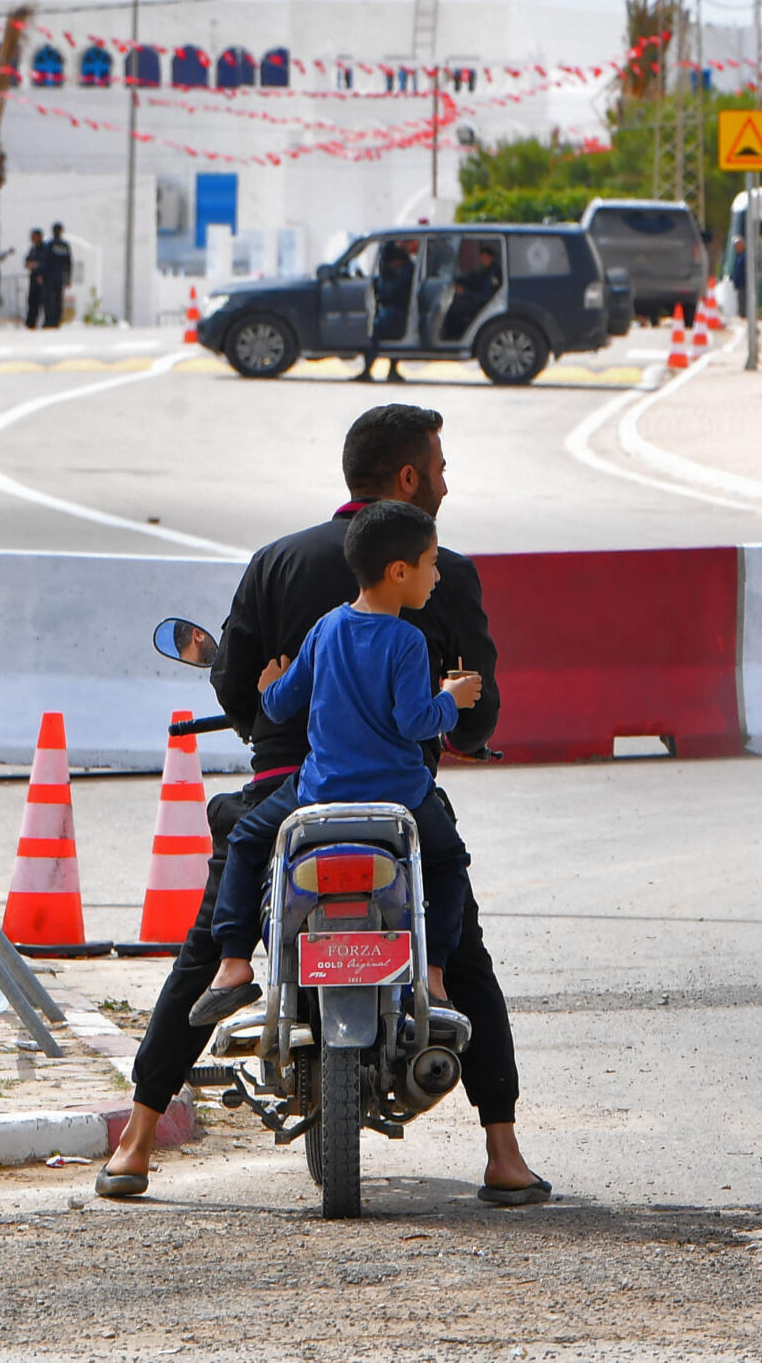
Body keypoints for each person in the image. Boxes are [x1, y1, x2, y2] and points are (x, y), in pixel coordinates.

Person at [100, 405, 544, 1207]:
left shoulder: (275, 563)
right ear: (408, 479)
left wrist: (276, 715)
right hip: (397, 806)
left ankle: (134, 1143)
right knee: (461, 944)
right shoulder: (439, 574)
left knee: (206, 945)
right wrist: (455, 717)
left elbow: (247, 692)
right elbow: (475, 716)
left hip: (292, 795)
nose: (447, 480)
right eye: (439, 466)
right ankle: (503, 1153)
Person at [189, 499, 483, 1026]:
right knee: (446, 863)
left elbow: (279, 706)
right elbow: (415, 722)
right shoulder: (408, 641)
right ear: (399, 572)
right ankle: (434, 974)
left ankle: (233, 964)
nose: (437, 576)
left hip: (319, 790)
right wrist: (453, 700)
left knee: (249, 841)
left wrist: (267, 685)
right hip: (400, 795)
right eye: (431, 563)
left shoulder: (325, 629)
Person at [357, 238, 417, 384]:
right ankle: (391, 371)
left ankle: (368, 370)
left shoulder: (405, 271)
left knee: (373, 330)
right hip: (396, 311)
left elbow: (389, 292)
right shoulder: (400, 270)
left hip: (398, 311)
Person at [439, 239, 502, 343]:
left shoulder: (494, 273)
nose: (482, 260)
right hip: (477, 298)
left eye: (485, 258)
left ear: (491, 258)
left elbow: (485, 297)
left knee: (455, 308)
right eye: (481, 258)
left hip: (483, 304)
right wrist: (458, 280)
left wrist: (465, 292)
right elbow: (475, 279)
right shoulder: (486, 270)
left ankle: (453, 338)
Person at [42, 223, 74, 329]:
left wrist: (68, 278)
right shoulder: (53, 244)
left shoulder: (52, 244)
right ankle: (53, 321)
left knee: (53, 299)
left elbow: (68, 262)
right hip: (55, 276)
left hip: (53, 276)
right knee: (54, 299)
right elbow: (68, 263)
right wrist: (68, 278)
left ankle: (52, 321)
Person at [20, 228, 50, 329]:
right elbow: (27, 262)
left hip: (43, 279)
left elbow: (45, 263)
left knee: (44, 302)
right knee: (32, 301)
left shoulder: (45, 248)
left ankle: (48, 322)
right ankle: (30, 323)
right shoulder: (33, 248)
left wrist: (36, 266)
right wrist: (32, 264)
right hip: (33, 279)